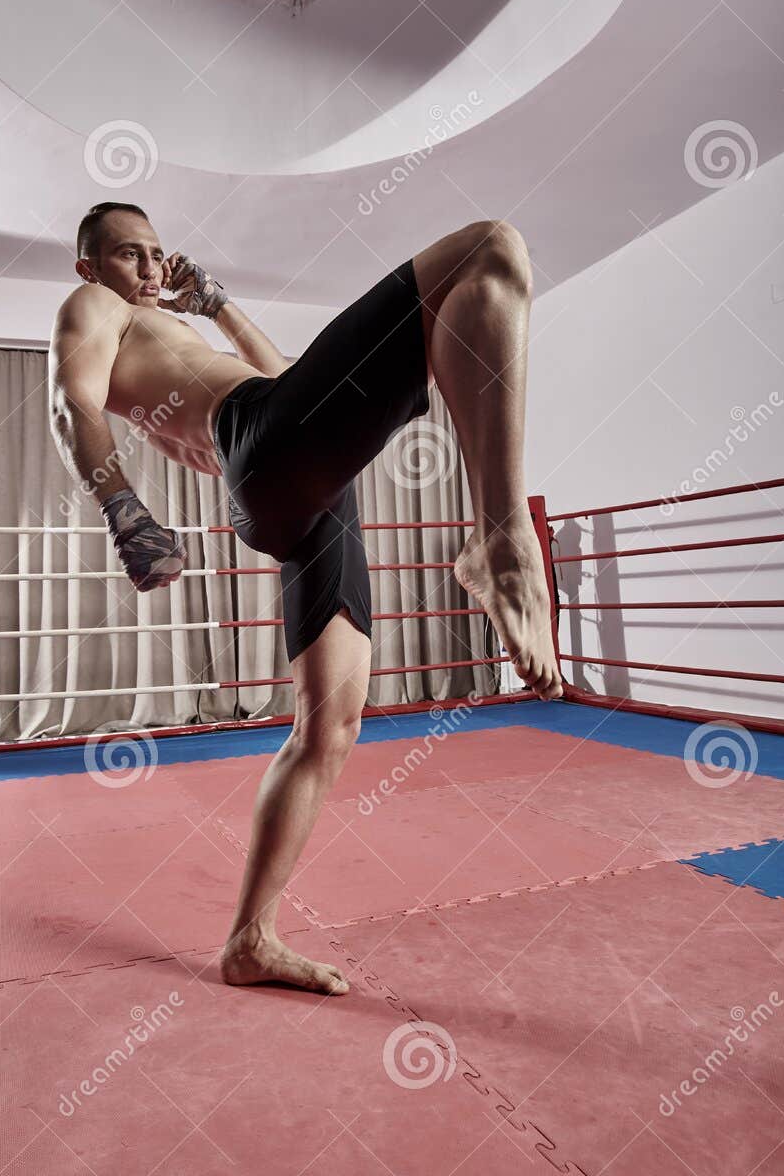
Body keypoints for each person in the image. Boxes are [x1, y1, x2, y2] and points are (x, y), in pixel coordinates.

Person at [49, 200, 562, 995]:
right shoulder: (94, 308)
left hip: (300, 494)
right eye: (127, 255)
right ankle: (500, 537)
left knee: (329, 728)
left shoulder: (170, 330)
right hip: (257, 445)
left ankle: (249, 940)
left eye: (155, 254)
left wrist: (216, 305)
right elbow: (71, 403)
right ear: (91, 267)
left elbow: (285, 377)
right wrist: (124, 513)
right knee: (489, 249)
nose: (149, 269)